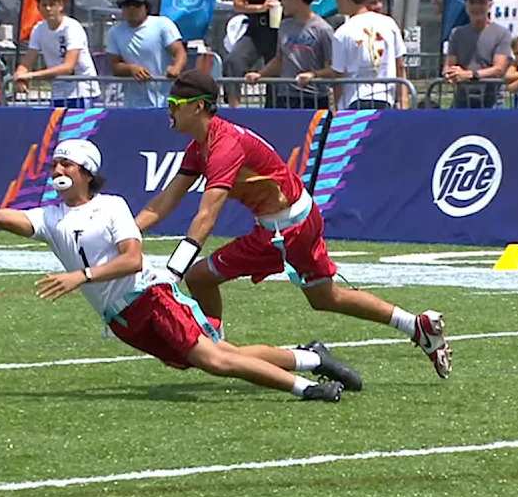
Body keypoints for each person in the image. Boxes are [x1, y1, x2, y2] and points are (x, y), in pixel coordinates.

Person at [0, 136, 358, 402]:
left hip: (149, 298)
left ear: (86, 172)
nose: (57, 169)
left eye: (66, 164)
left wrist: (82, 276)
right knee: (217, 358)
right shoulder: (50, 217)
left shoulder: (111, 207)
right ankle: (309, 357)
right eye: (55, 163)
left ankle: (306, 389)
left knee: (217, 360)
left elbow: (133, 259)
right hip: (121, 320)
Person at [135, 70, 453, 380]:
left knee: (198, 276)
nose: (169, 110)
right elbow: (164, 201)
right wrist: (128, 233)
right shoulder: (201, 146)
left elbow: (206, 216)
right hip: (297, 217)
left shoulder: (223, 146)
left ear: (198, 106)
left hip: (284, 230)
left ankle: (214, 345)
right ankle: (415, 325)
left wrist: (173, 271)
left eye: (175, 103)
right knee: (325, 297)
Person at [225, 0, 313, 107]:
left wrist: (293, 5)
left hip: (280, 29)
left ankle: (272, 111)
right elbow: (237, 3)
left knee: (275, 74)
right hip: (256, 28)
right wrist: (260, 7)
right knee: (234, 61)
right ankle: (235, 107)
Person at [294, 0, 408, 109]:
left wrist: (337, 107)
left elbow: (338, 76)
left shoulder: (343, 32)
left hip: (355, 101)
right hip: (386, 99)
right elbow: (400, 65)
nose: (337, 4)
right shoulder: (389, 23)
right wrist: (404, 99)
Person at [244, 0, 334, 110]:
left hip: (313, 98)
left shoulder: (323, 29)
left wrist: (313, 75)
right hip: (286, 96)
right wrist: (260, 74)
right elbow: (280, 60)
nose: (282, 3)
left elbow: (333, 69)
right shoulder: (284, 26)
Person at [14, 0, 102, 108]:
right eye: (44, 5)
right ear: (38, 8)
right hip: (58, 94)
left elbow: (68, 67)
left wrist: (31, 76)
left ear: (60, 6)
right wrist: (20, 76)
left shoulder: (72, 27)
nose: (48, 8)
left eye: (52, 4)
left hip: (83, 92)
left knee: (78, 127)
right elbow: (27, 61)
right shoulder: (38, 29)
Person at [105, 0, 186, 109]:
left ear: (146, 6)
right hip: (133, 105)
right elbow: (115, 66)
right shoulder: (114, 32)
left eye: (136, 4)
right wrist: (131, 69)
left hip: (166, 101)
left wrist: (176, 68)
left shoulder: (162, 24)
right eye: (127, 4)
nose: (131, 8)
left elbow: (179, 52)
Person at [443, 0, 512, 108]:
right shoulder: (457, 33)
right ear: (466, 5)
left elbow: (499, 69)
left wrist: (470, 75)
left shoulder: (502, 33)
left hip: (492, 102)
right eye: (473, 2)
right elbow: (449, 66)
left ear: (490, 5)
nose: (477, 7)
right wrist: (450, 74)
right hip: (462, 101)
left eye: (481, 3)